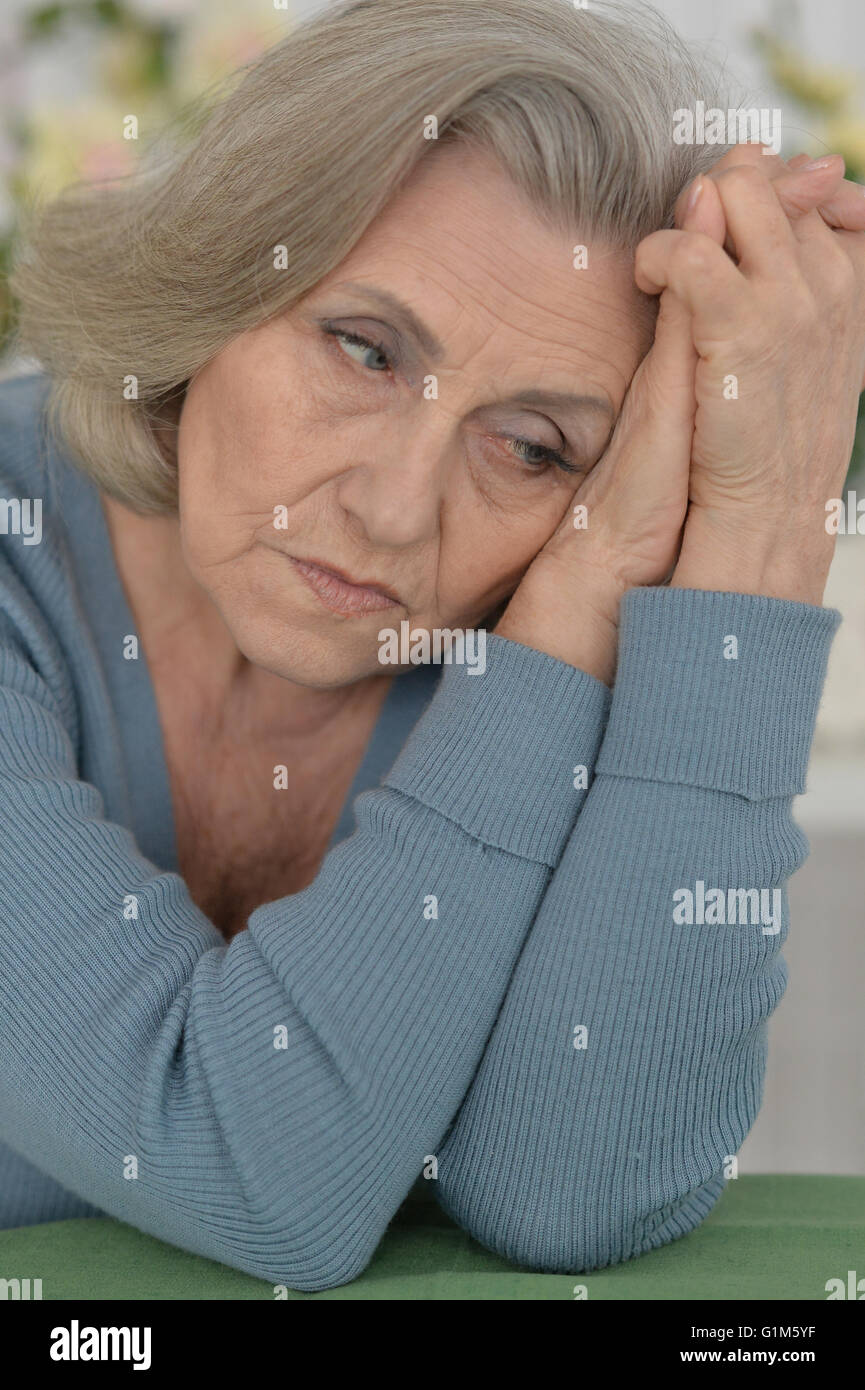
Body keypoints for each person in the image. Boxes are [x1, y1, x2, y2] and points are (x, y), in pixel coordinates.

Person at [1, 0, 863, 1289]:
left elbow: (573, 1194)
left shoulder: (554, 599)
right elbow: (255, 1175)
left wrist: (764, 525)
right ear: (214, 279)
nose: (395, 511)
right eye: (363, 349)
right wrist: (571, 614)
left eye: (532, 445)